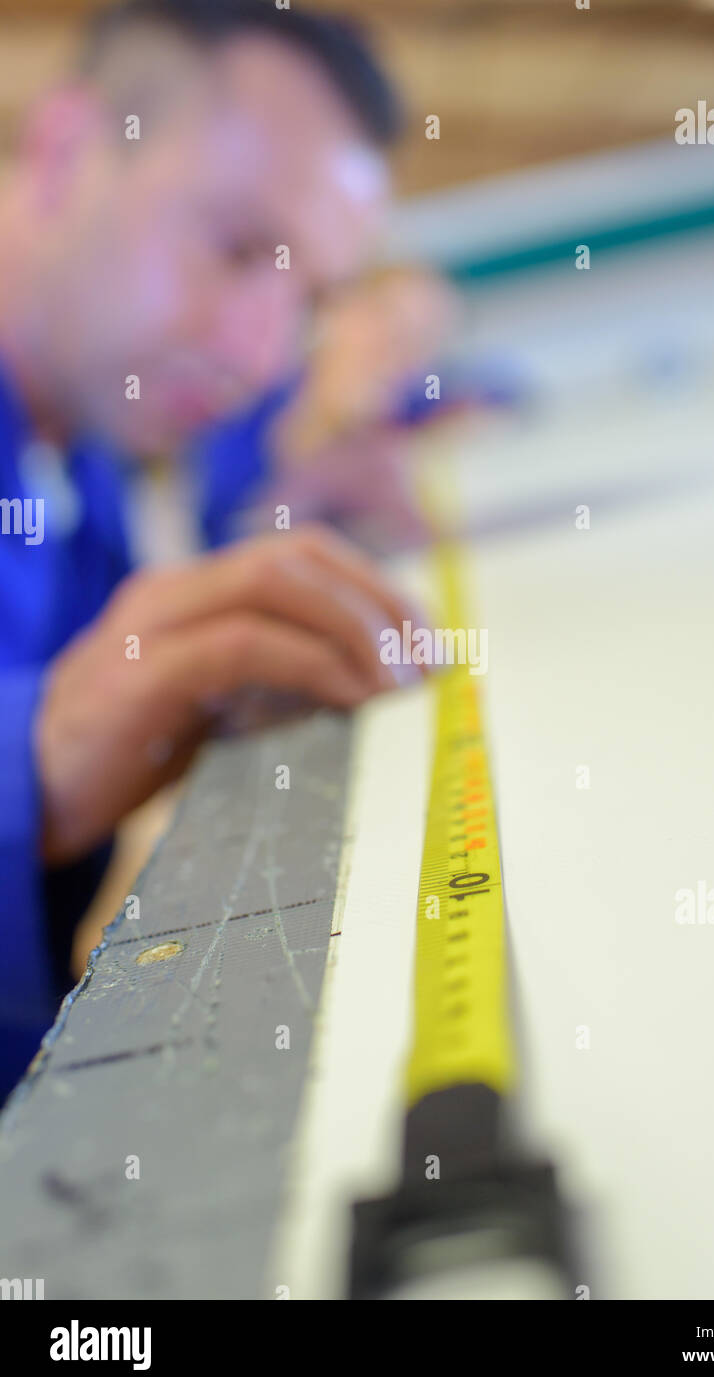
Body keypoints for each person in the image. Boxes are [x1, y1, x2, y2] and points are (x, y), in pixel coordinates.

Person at [0, 0, 424, 1100]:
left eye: (311, 299)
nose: (259, 348)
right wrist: (29, 763)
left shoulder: (78, 452)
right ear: (61, 157)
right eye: (239, 246)